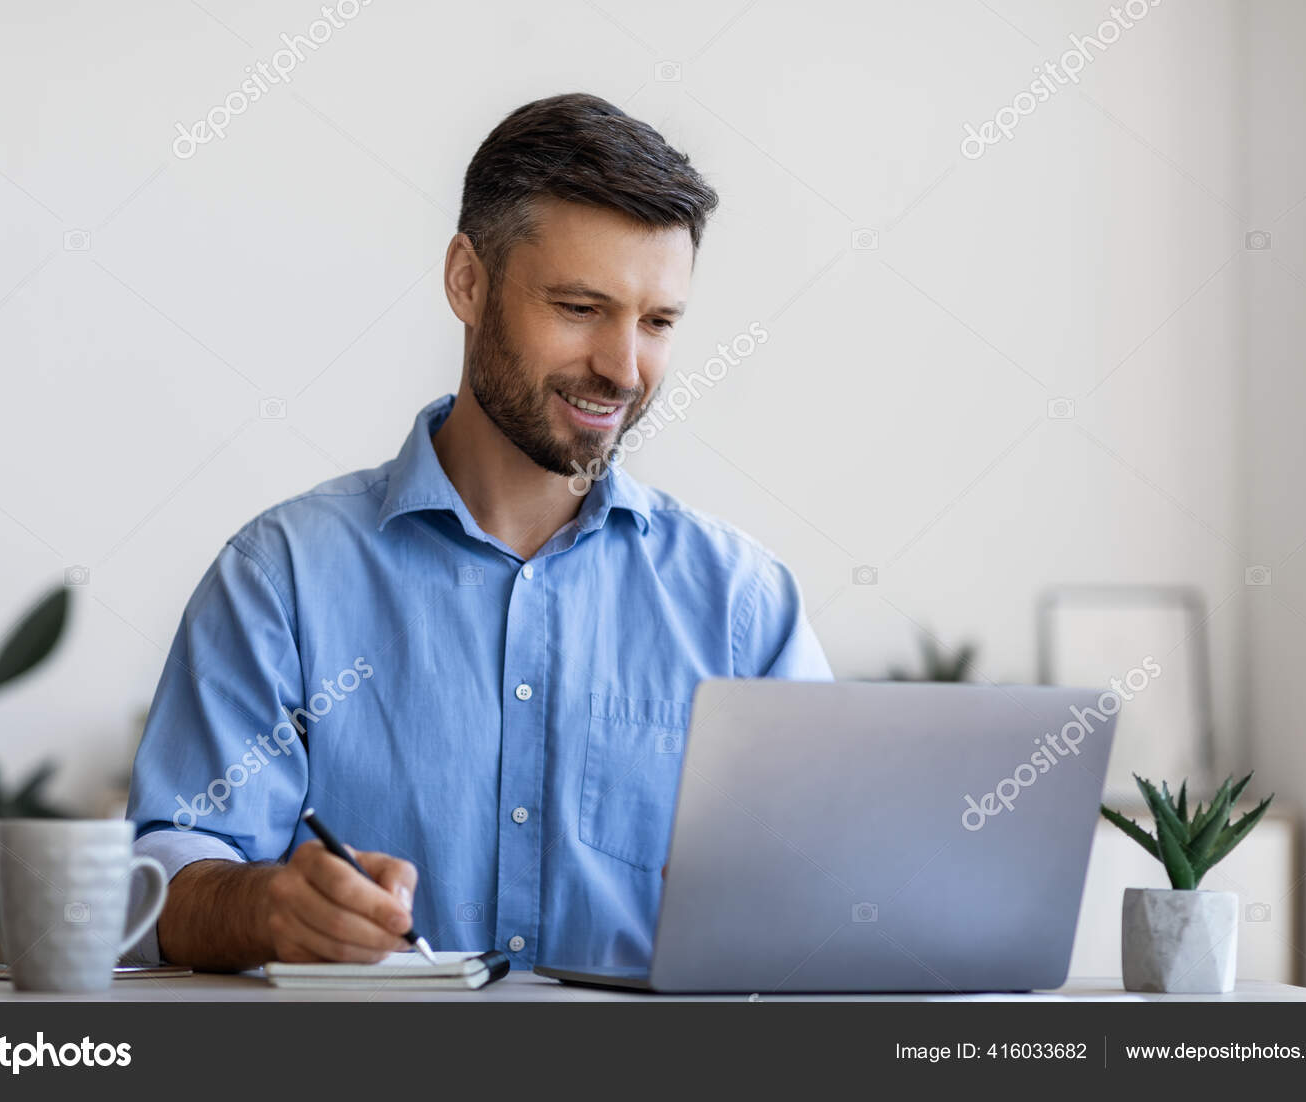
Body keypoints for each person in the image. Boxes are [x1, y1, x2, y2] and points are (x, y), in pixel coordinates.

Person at [125, 92, 832, 971]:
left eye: (657, 322)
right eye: (580, 308)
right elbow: (167, 871)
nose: (622, 369)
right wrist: (265, 908)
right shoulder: (282, 578)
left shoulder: (744, 608)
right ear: (467, 280)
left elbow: (833, 890)